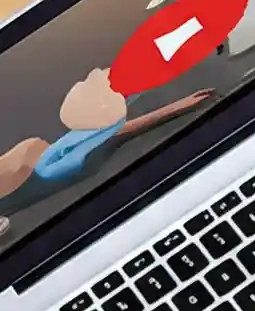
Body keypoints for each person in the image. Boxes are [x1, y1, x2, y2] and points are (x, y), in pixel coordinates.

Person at [0, 67, 214, 238]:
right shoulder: (56, 166)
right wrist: (179, 107)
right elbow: (119, 132)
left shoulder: (51, 157)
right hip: (65, 160)